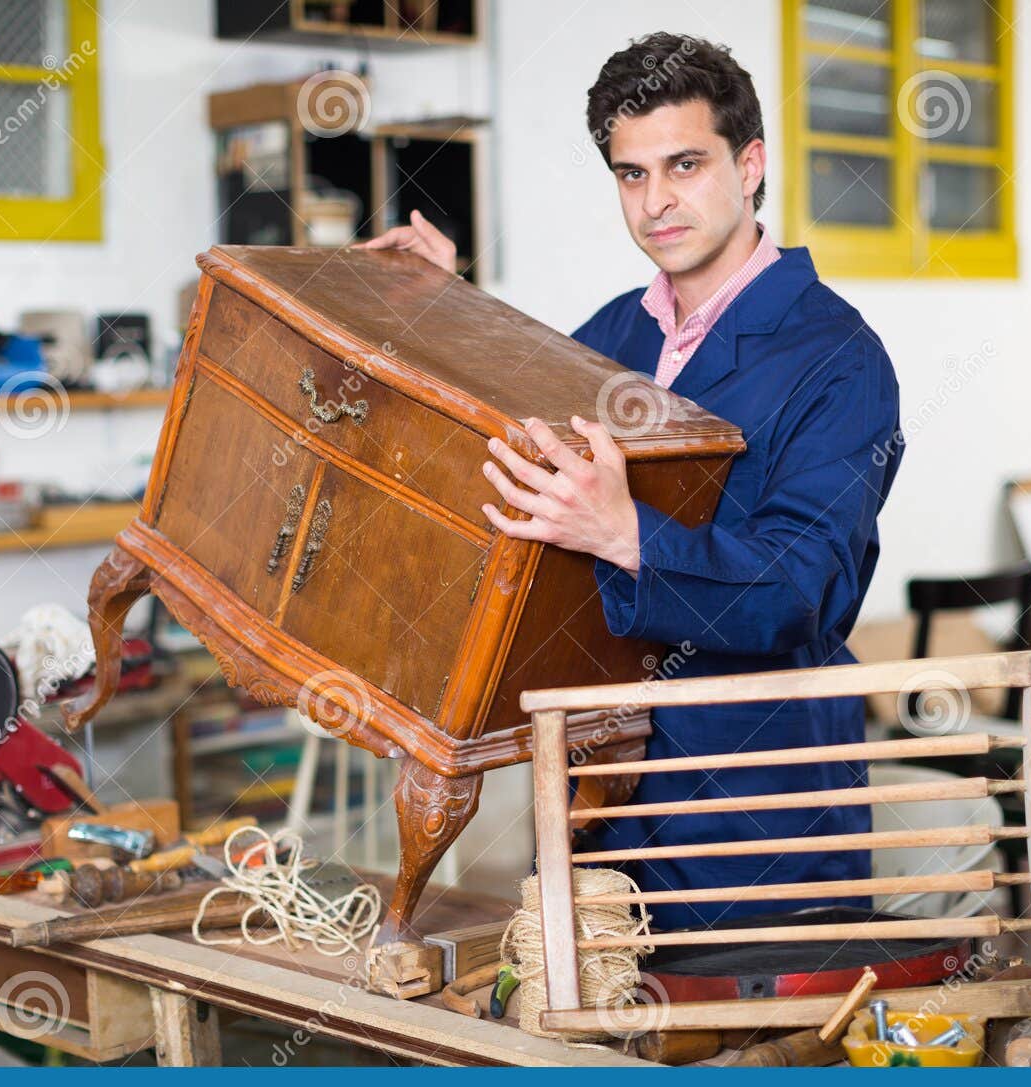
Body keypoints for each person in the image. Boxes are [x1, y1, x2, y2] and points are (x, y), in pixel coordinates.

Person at [362, 32, 903, 930]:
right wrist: (446, 309)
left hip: (753, 814)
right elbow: (517, 428)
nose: (656, 202)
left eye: (685, 165)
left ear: (750, 165)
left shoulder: (839, 357)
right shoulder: (616, 334)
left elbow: (802, 590)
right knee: (579, 1011)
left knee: (754, 1022)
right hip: (594, 805)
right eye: (632, 174)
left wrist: (625, 535)